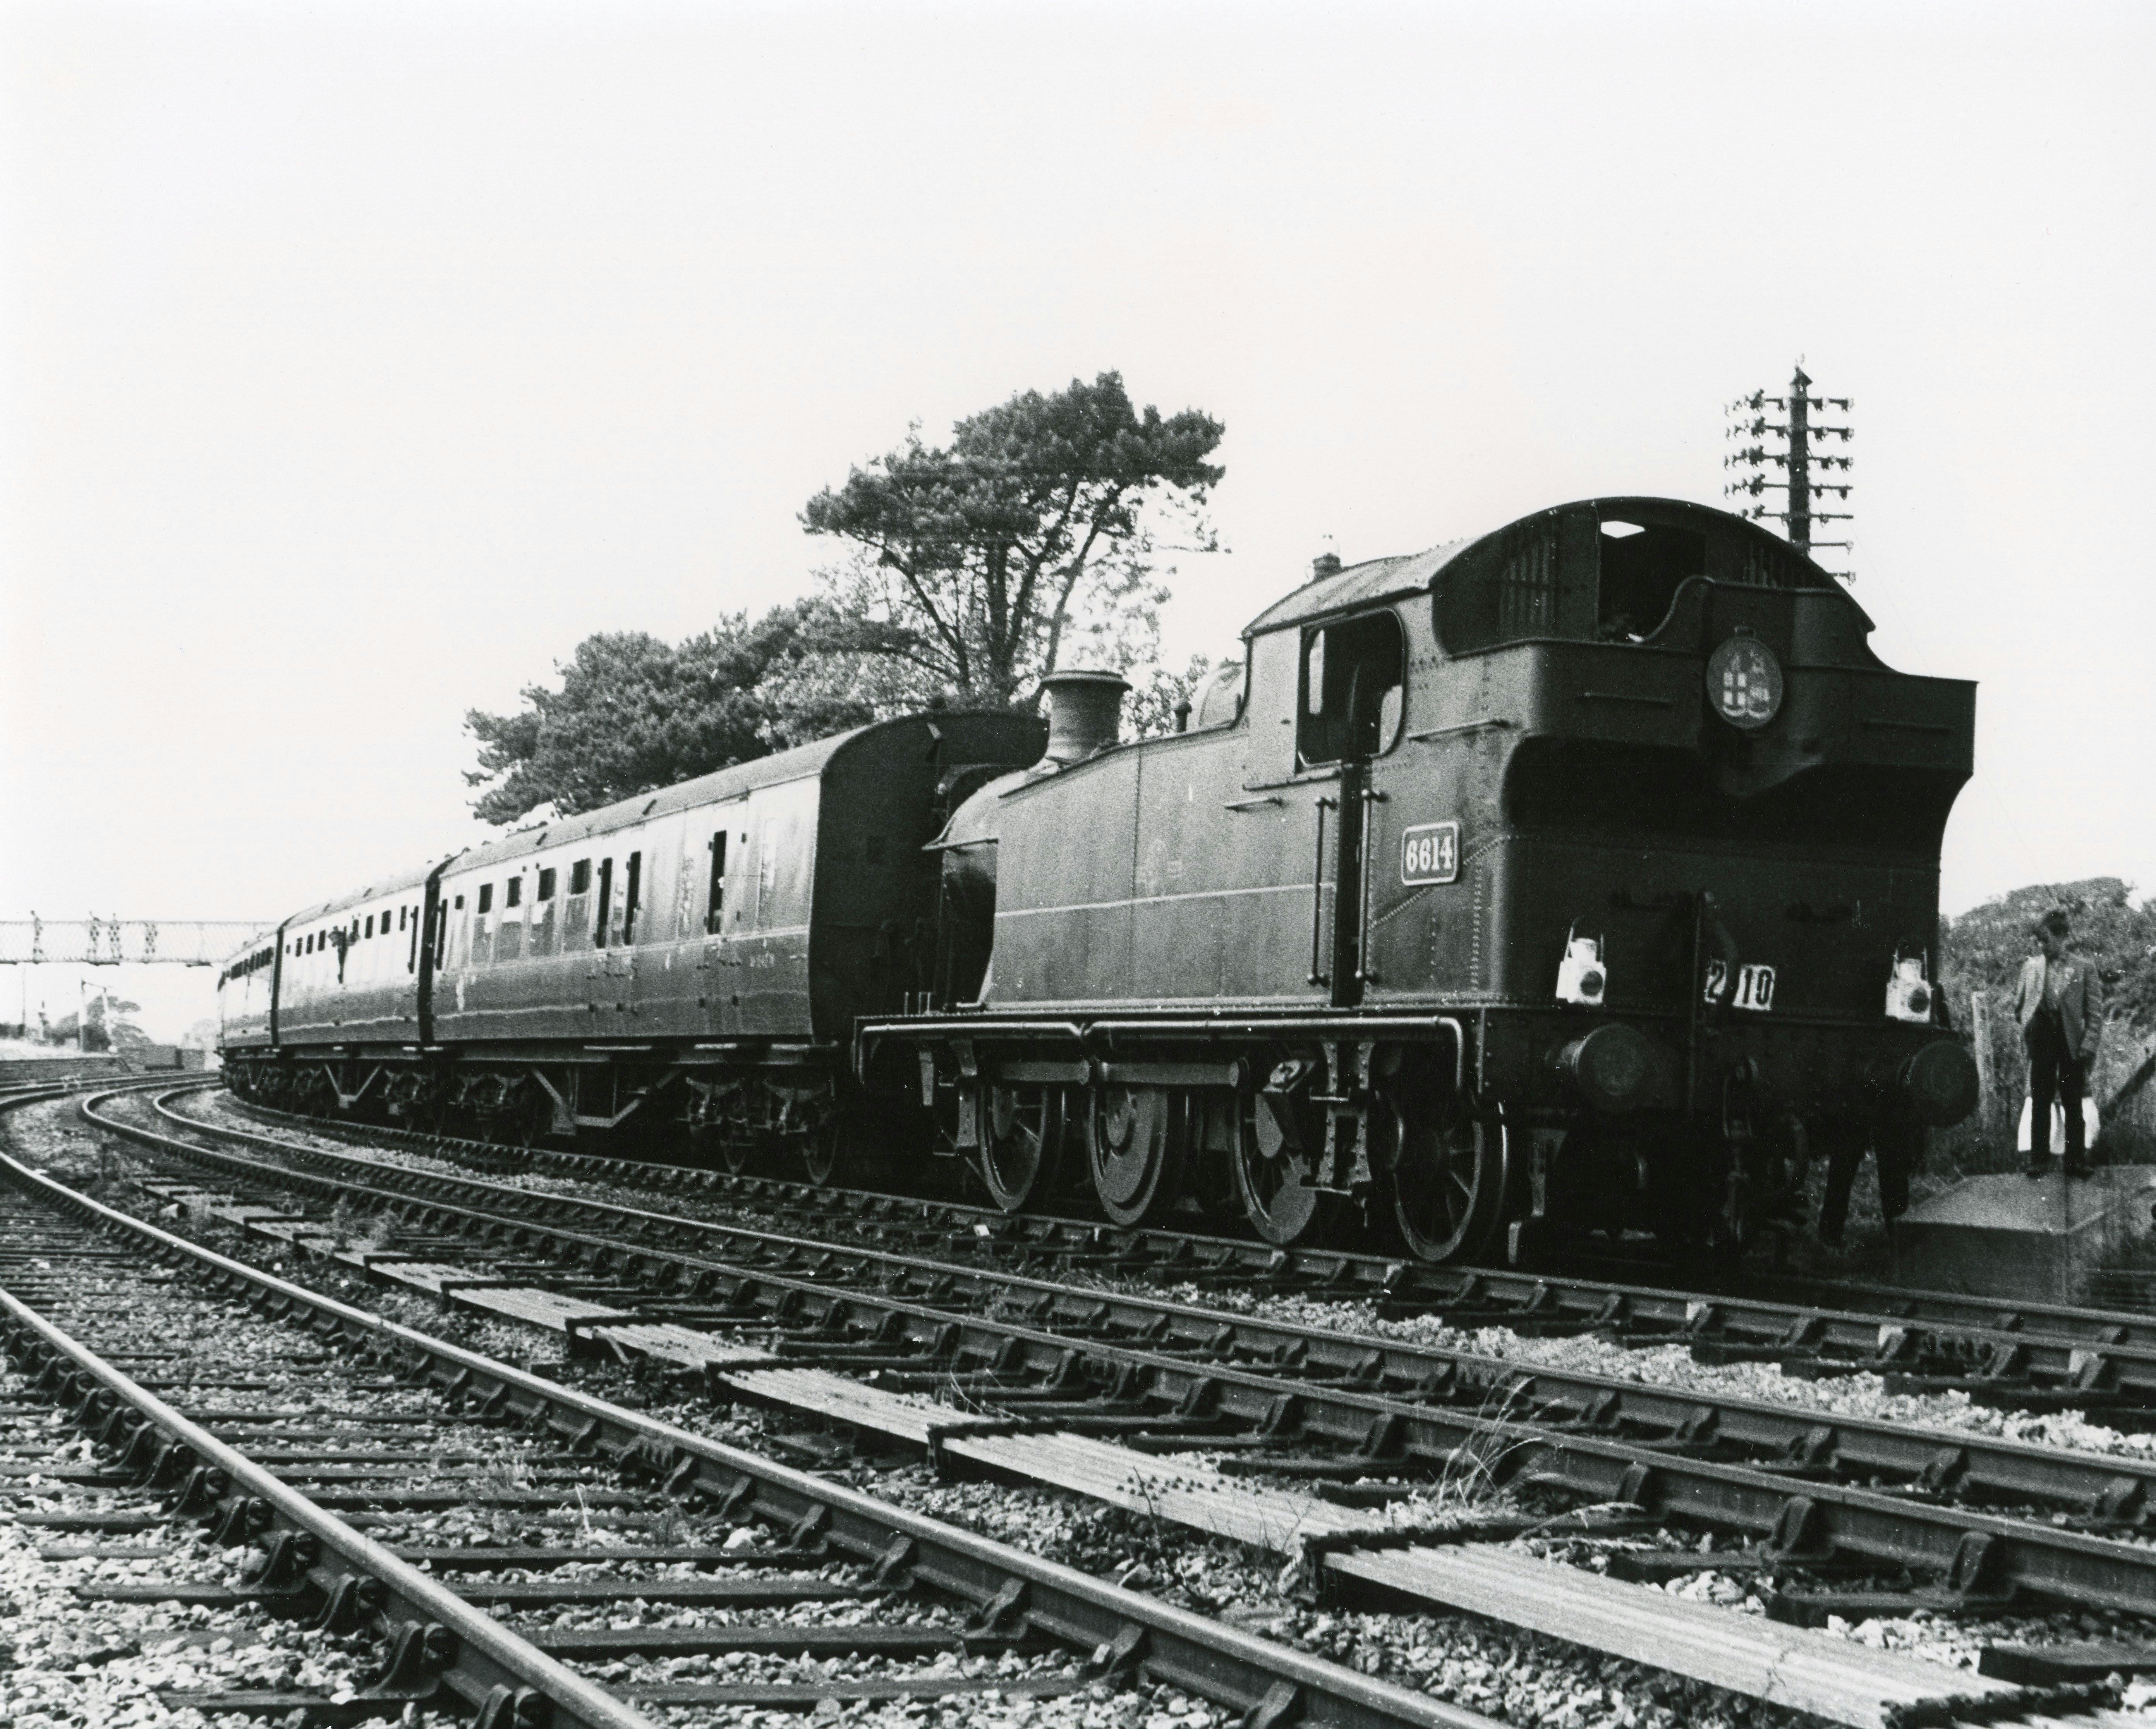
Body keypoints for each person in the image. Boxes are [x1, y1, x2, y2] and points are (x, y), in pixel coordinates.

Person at [2015, 909, 2103, 1178]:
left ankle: (2074, 1161)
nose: (2042, 946)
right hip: (2042, 1041)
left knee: (2072, 1102)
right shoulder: (2031, 967)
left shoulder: (2083, 967)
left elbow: (2095, 1014)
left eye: (2047, 940)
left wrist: (2087, 1047)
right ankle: (2039, 1160)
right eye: (2039, 940)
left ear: (2063, 936)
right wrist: (2028, 1029)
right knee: (2040, 1100)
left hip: (2071, 1043)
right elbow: (2018, 1005)